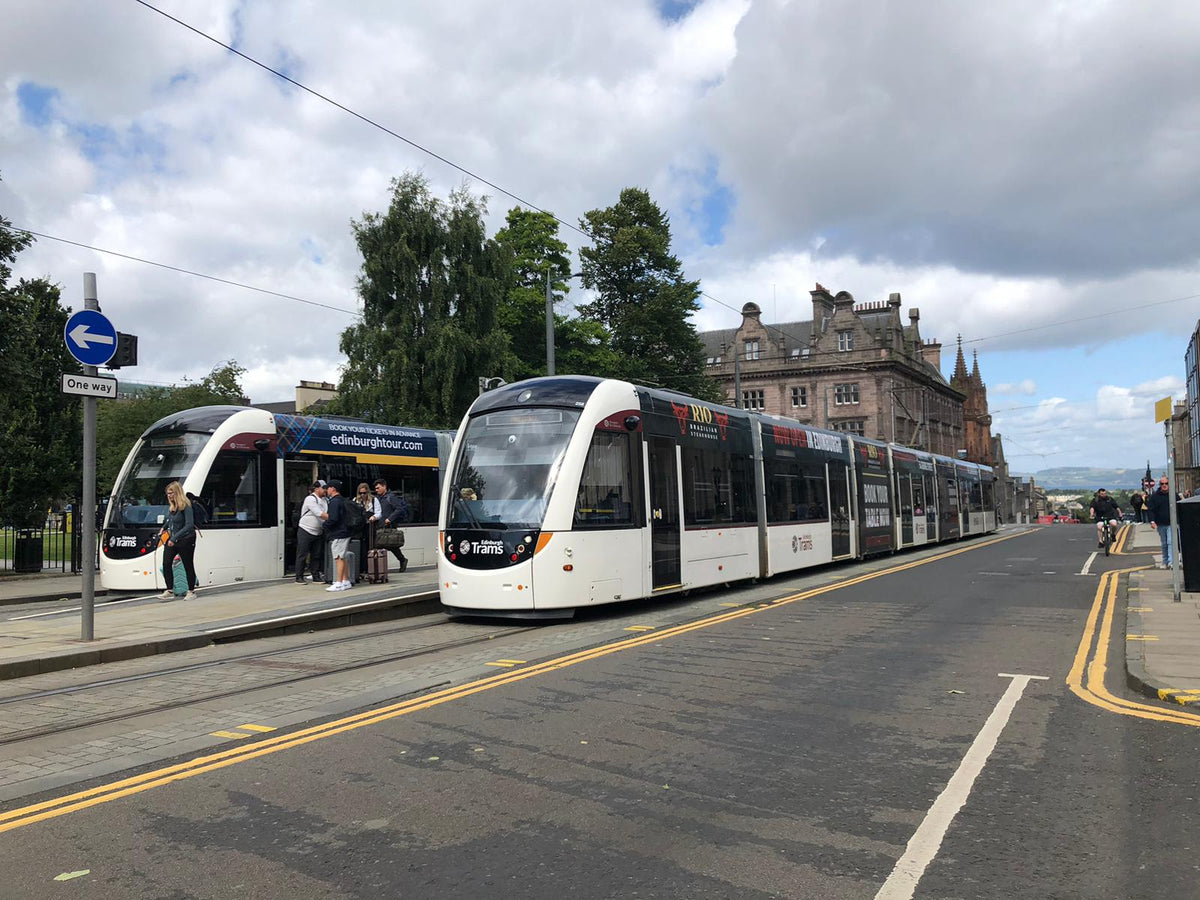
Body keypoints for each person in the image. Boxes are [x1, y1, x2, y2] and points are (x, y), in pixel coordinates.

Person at [159, 481, 197, 601]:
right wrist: (163, 528)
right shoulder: (172, 506)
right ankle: (170, 589)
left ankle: (191, 591)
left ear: (177, 492)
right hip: (173, 539)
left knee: (188, 564)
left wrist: (174, 538)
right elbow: (171, 520)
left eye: (171, 493)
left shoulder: (186, 505)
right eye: (167, 494)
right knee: (166, 563)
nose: (169, 496)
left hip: (186, 539)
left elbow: (189, 525)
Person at [372, 479, 409, 572]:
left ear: (384, 486)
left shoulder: (390, 497)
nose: (376, 490)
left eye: (378, 488)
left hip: (388, 525)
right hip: (379, 525)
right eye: (375, 488)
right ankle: (378, 567)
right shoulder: (377, 498)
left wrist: (390, 518)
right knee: (380, 545)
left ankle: (402, 560)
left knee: (391, 546)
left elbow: (399, 509)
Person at [294, 480, 327, 583]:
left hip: (318, 531)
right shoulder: (310, 499)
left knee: (316, 555)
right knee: (302, 554)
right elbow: (319, 513)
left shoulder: (325, 500)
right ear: (317, 489)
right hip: (305, 529)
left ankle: (315, 575)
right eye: (323, 488)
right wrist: (335, 518)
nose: (325, 490)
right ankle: (299, 576)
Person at [323, 480, 352, 591]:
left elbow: (333, 518)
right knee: (342, 557)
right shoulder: (342, 500)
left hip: (338, 533)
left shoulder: (334, 502)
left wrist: (325, 525)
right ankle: (345, 581)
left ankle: (339, 582)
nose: (327, 490)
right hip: (344, 531)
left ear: (333, 489)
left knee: (338, 557)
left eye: (328, 488)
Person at [1147, 477, 1174, 569]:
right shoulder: (1155, 497)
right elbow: (1150, 510)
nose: (1164, 485)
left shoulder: (1174, 495)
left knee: (1171, 542)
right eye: (1162, 484)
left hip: (1172, 523)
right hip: (1161, 524)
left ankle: (1171, 562)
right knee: (1164, 543)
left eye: (1166, 483)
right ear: (1160, 485)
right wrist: (1152, 521)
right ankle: (1165, 561)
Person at [354, 482, 380, 577]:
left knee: (370, 547)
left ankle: (370, 569)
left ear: (367, 492)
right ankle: (360, 569)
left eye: (364, 493)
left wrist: (374, 517)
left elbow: (378, 513)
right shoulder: (355, 500)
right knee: (360, 548)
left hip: (370, 526)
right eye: (360, 493)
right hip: (360, 528)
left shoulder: (374, 500)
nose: (362, 495)